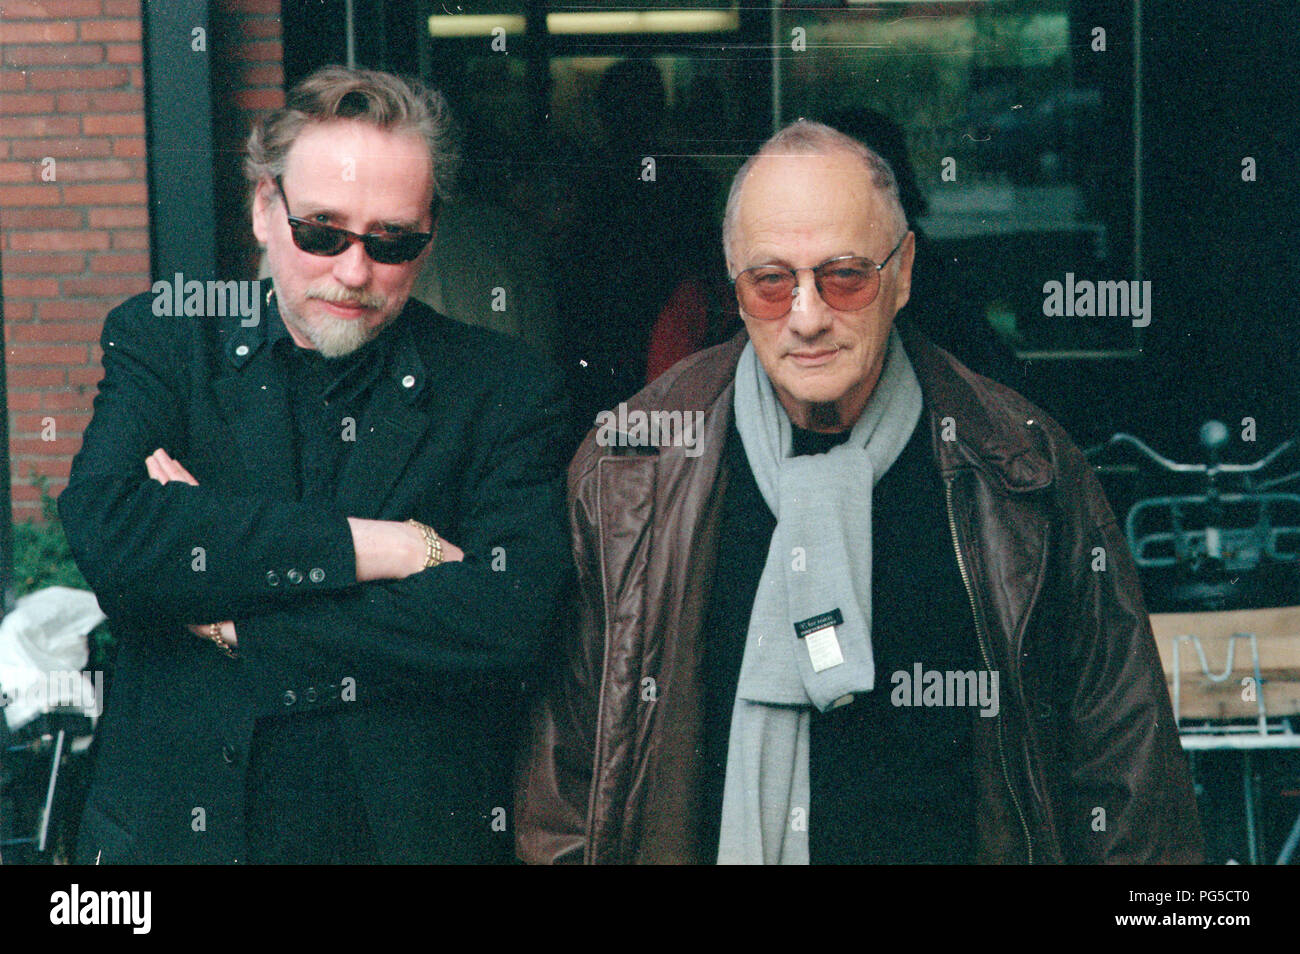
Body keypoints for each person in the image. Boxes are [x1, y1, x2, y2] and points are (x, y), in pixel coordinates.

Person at [515, 120, 1202, 864]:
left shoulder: (1020, 466)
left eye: (844, 276)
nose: (807, 318)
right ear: (733, 287)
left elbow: (1126, 774)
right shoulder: (632, 468)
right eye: (771, 281)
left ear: (902, 272)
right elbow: (566, 786)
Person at [59, 67, 570, 864]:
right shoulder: (166, 338)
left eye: (392, 241)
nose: (354, 271)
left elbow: (504, 618)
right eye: (323, 232)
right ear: (265, 209)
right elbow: (115, 537)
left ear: (431, 232)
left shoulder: (500, 387)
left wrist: (239, 616)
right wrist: (385, 549)